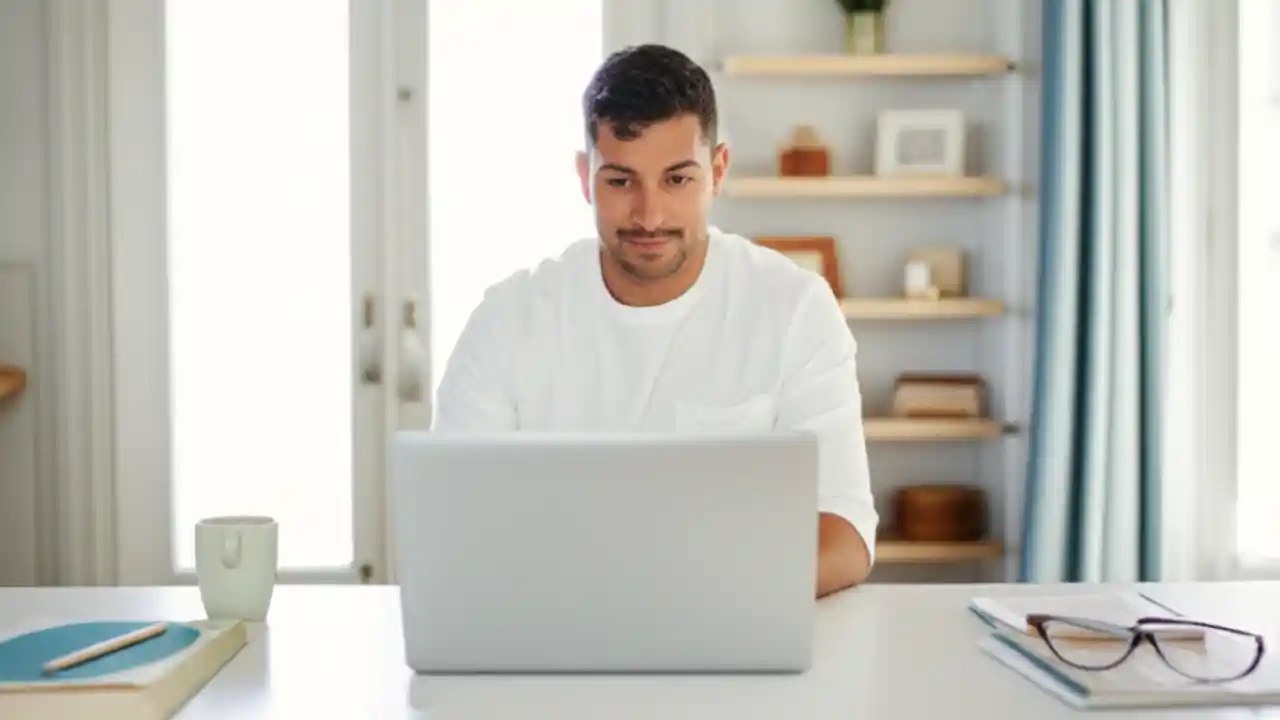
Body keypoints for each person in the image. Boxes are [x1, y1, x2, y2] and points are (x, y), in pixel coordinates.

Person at [433, 44, 878, 597]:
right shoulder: (507, 320)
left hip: (731, 628)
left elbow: (845, 534)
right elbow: (453, 525)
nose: (649, 215)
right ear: (584, 176)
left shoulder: (796, 308)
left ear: (717, 171)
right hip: (556, 632)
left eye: (676, 180)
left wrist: (689, 596)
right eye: (620, 181)